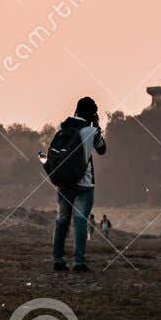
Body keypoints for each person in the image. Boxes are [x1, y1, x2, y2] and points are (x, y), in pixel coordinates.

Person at [51, 96, 106, 273]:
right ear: (92, 113)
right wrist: (97, 127)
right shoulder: (90, 131)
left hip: (64, 182)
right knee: (80, 222)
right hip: (84, 183)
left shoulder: (62, 127)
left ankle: (58, 259)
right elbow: (102, 149)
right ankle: (78, 262)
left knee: (62, 221)